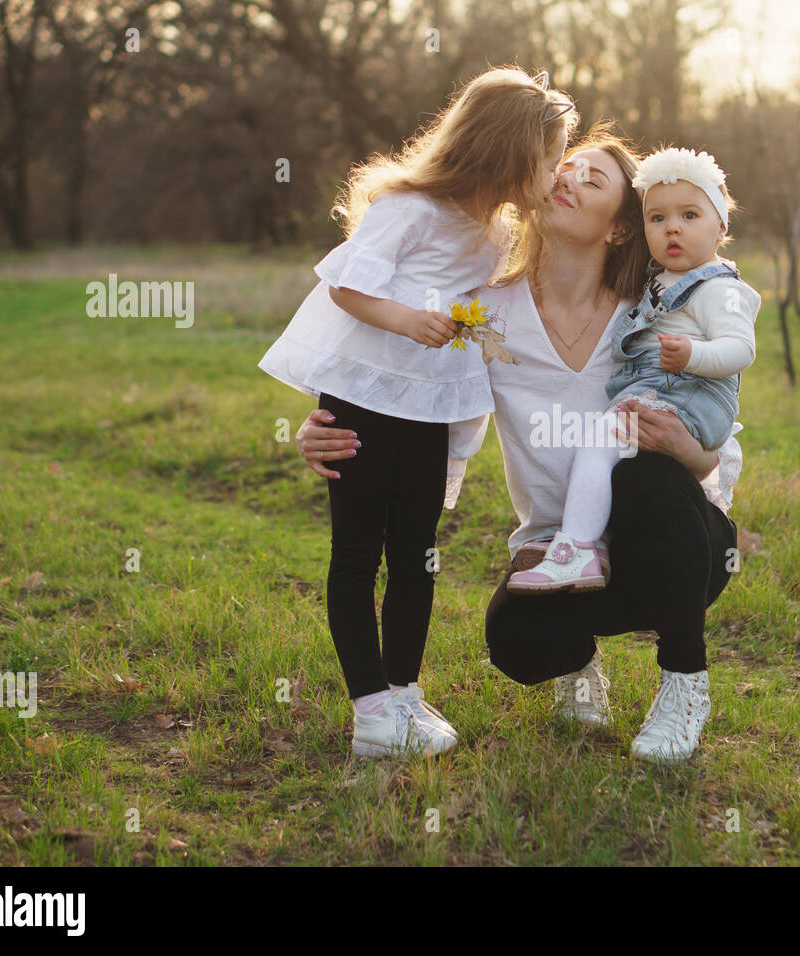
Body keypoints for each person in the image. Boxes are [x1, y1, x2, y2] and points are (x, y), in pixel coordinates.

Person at [296, 124, 745, 763]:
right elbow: (408, 371)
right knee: (514, 640)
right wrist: (332, 423)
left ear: (620, 228)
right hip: (558, 557)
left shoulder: (647, 316)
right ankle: (578, 662)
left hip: (674, 545)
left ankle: (682, 686)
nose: (567, 179)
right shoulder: (485, 313)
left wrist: (689, 450)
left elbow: (716, 433)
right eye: (565, 169)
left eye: (593, 181)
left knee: (647, 476)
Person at [259, 67, 576, 758]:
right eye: (550, 155)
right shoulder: (410, 208)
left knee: (417, 555)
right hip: (366, 399)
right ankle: (371, 711)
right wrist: (407, 320)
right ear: (509, 151)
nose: (556, 169)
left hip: (430, 406)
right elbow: (345, 283)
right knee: (356, 555)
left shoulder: (496, 228)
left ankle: (403, 691)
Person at [507, 146, 759, 594]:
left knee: (606, 445)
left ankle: (579, 549)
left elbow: (741, 350)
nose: (673, 228)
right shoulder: (654, 286)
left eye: (689, 215)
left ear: (722, 225)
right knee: (612, 452)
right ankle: (579, 547)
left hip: (685, 401)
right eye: (658, 219)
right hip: (665, 394)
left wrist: (691, 361)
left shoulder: (718, 288)